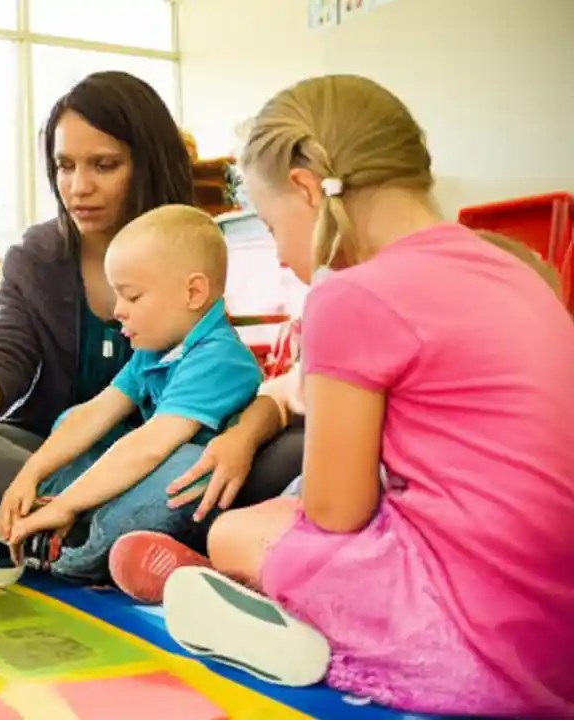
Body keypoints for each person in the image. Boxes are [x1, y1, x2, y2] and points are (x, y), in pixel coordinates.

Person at [136, 75, 574, 717]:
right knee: (269, 522)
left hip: (472, 643)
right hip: (557, 630)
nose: (282, 255)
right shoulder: (515, 270)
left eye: (273, 222)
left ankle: (276, 627)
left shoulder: (350, 296)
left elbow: (336, 512)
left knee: (235, 532)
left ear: (308, 191)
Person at [0, 70, 304, 554]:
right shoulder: (37, 257)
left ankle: (45, 528)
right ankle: (88, 522)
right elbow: (4, 369)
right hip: (75, 458)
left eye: (104, 165)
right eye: (64, 165)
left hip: (178, 459)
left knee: (276, 453)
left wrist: (244, 437)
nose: (78, 187)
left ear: (146, 163)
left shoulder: (187, 248)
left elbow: (171, 429)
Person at [1, 205, 263, 587]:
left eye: (132, 297)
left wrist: (67, 502)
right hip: (141, 478)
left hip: (195, 496)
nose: (117, 311)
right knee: (70, 422)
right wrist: (32, 472)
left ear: (193, 292)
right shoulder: (153, 351)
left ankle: (85, 547)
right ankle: (64, 519)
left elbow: (152, 446)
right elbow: (98, 412)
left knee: (190, 463)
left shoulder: (219, 357)